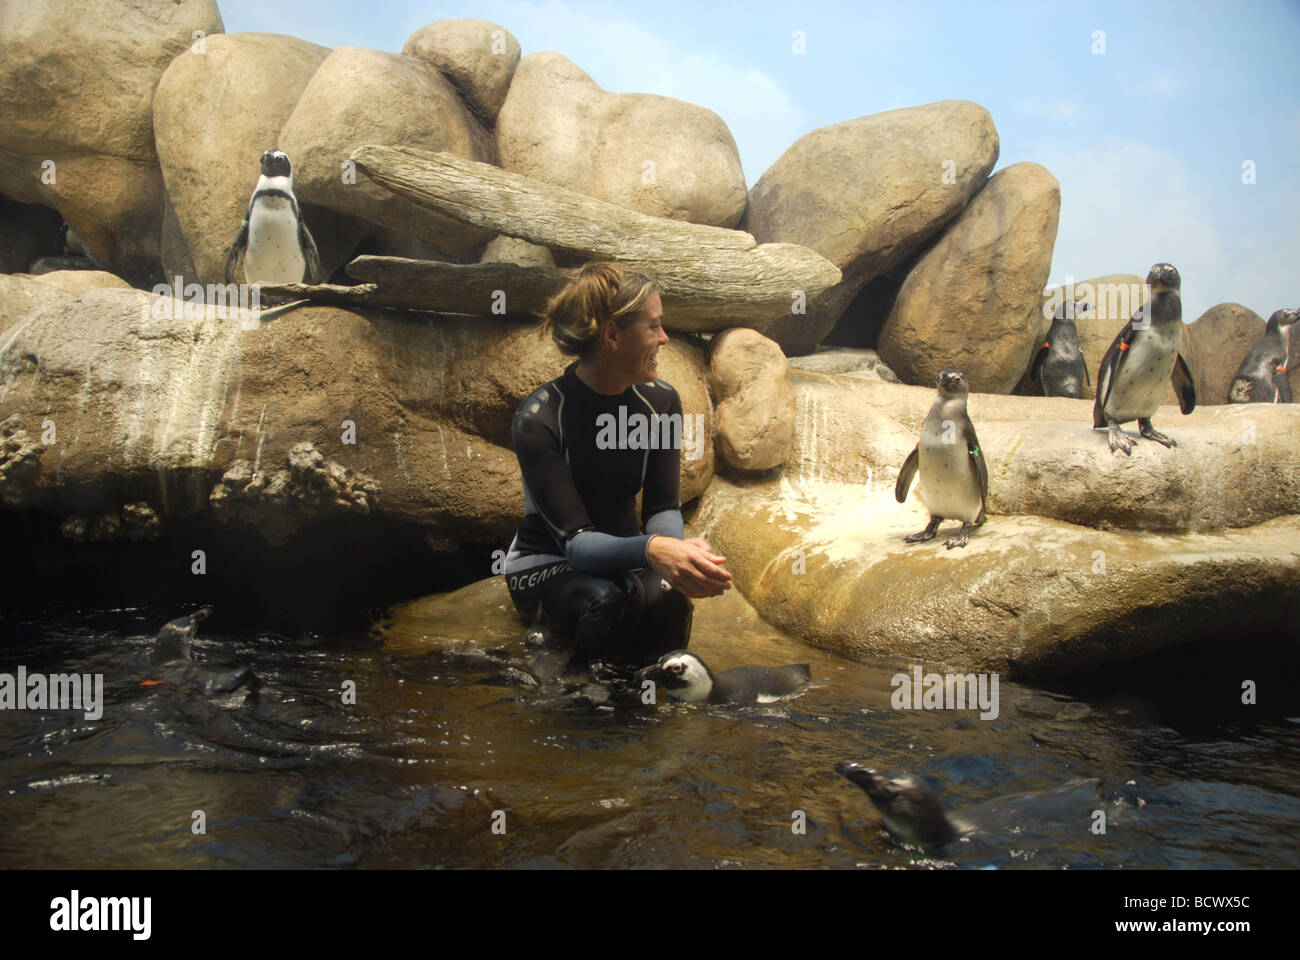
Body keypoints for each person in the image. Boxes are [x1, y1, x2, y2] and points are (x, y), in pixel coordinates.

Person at [503, 262, 732, 666]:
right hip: (549, 564)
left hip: (628, 555)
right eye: (654, 327)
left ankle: (656, 706)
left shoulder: (660, 403)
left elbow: (662, 507)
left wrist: (675, 553)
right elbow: (577, 545)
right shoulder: (539, 419)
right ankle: (587, 711)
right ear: (612, 335)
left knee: (667, 597)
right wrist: (655, 549)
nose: (664, 339)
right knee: (608, 600)